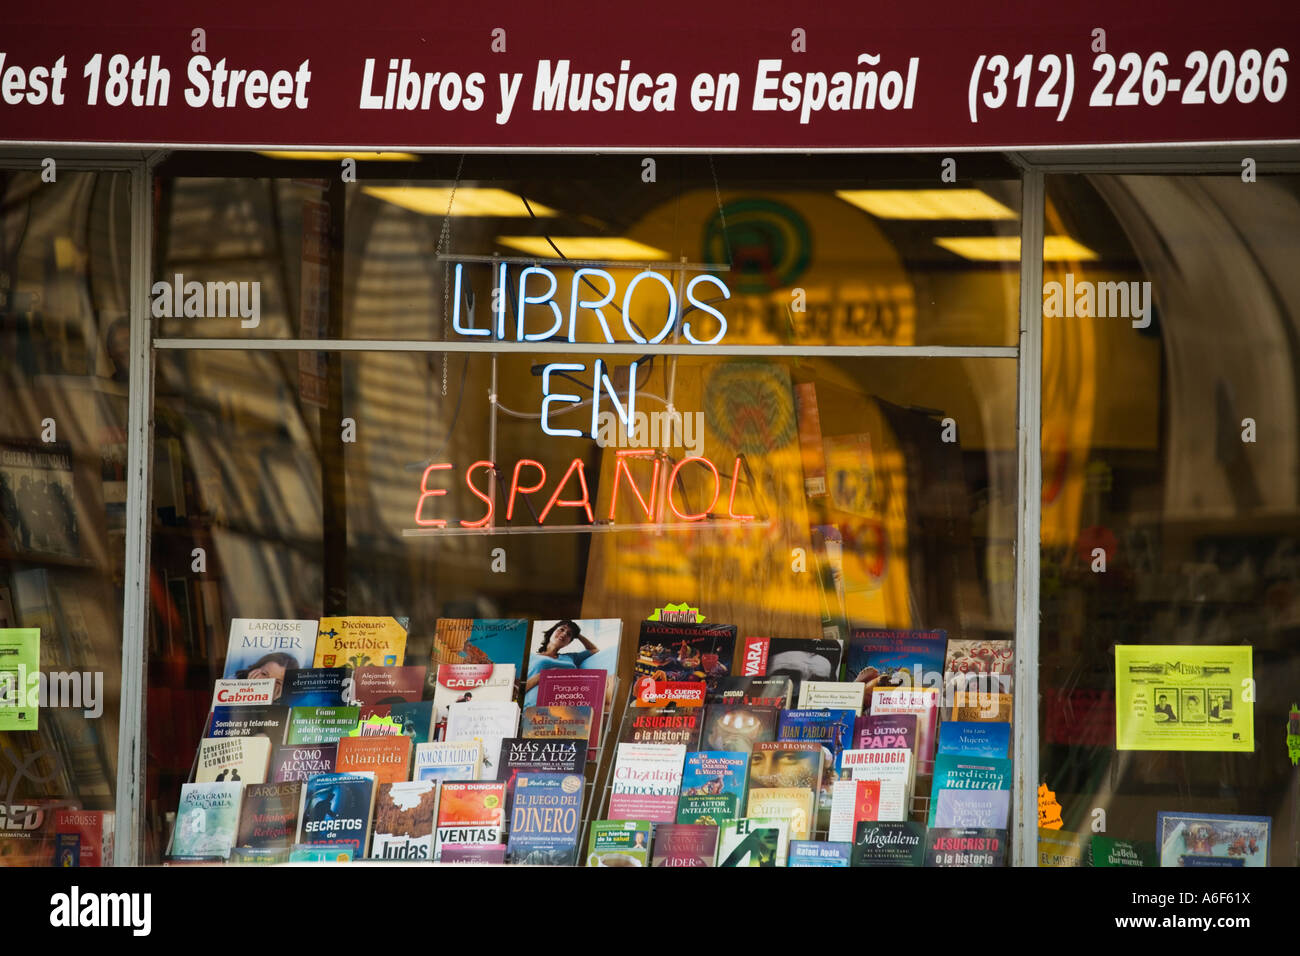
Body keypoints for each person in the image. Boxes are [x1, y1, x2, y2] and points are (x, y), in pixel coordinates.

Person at [524, 620, 600, 699]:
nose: (564, 634)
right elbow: (519, 688)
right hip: (535, 704)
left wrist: (577, 635)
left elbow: (594, 649)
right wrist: (544, 675)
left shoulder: (569, 657)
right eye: (562, 629)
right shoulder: (530, 657)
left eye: (569, 634)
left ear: (568, 642)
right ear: (553, 631)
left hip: (567, 703)